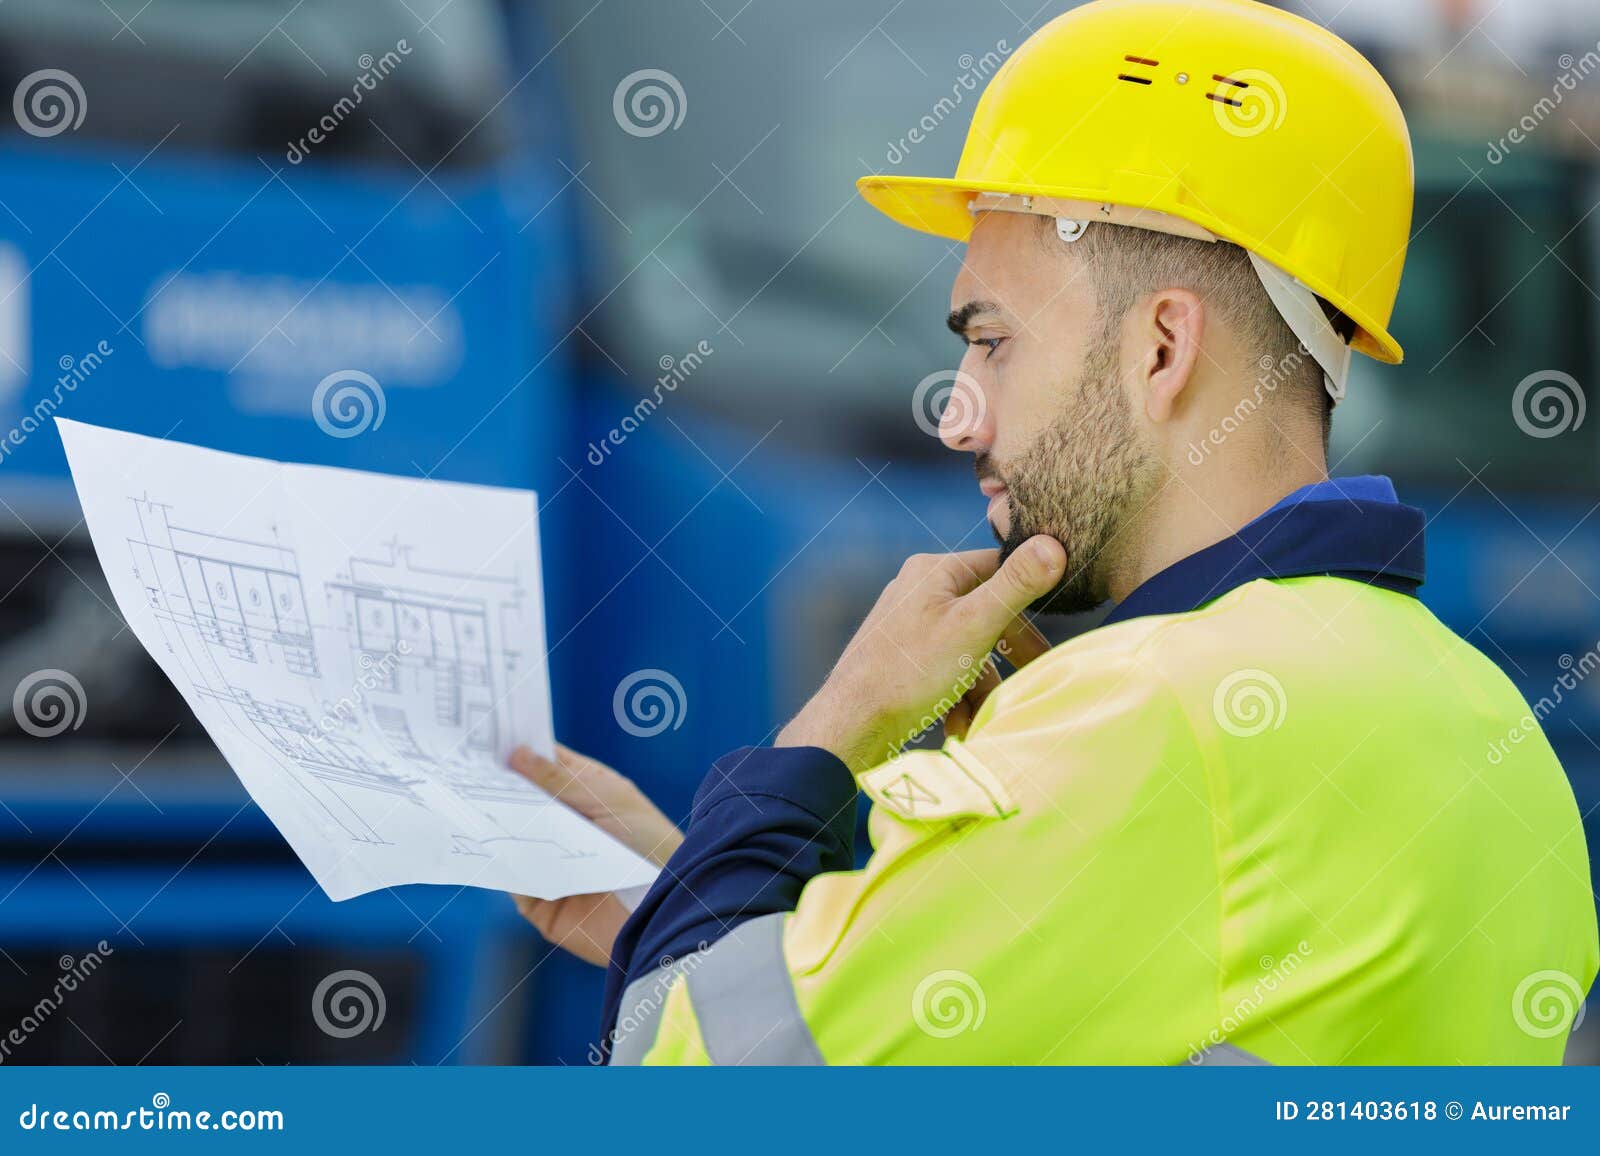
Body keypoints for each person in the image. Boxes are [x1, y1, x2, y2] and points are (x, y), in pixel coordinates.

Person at [509, 0, 1598, 1064]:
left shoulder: (1145, 719)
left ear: (1162, 348)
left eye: (993, 341)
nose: (958, 417)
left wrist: (838, 724)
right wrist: (680, 897)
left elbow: (698, 1080)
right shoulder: (1486, 730)